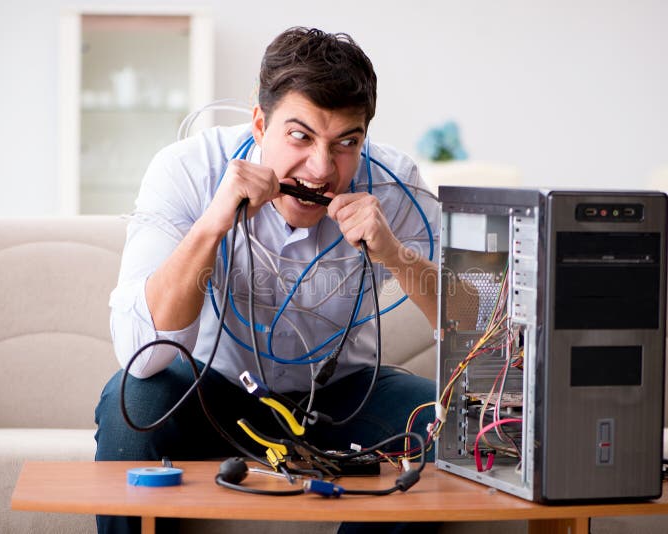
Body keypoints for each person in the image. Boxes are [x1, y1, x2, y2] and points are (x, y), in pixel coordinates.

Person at [94, 27, 440, 534]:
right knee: (132, 404)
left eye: (346, 142)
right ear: (259, 124)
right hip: (214, 393)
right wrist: (213, 222)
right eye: (300, 137)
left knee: (439, 421)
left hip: (342, 399)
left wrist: (395, 253)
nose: (321, 169)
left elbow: (480, 332)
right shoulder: (188, 170)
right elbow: (144, 353)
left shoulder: (396, 186)